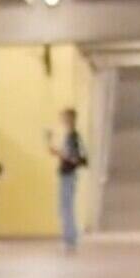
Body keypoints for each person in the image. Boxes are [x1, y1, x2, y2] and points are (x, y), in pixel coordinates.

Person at [54, 108, 88, 253]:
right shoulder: (70, 136)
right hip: (66, 174)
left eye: (65, 118)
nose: (63, 121)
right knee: (65, 207)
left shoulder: (73, 137)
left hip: (69, 175)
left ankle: (70, 239)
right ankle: (69, 238)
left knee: (66, 207)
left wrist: (62, 155)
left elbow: (74, 157)